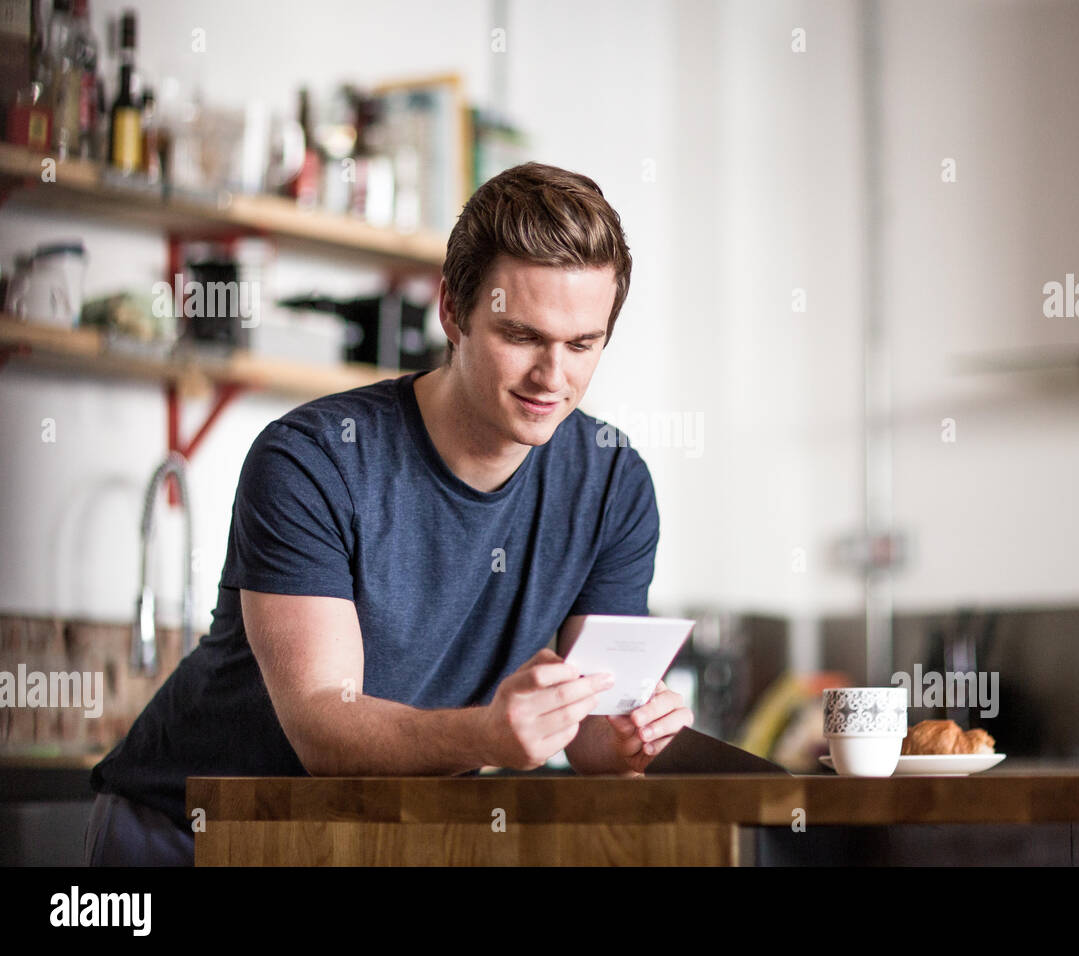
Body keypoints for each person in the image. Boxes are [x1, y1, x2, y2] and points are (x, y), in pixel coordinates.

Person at [85, 162, 693, 866]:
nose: (552, 377)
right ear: (451, 312)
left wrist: (623, 739)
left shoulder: (612, 484)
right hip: (182, 834)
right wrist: (489, 735)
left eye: (582, 345)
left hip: (357, 840)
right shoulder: (311, 460)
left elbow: (591, 732)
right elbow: (324, 727)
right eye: (522, 336)